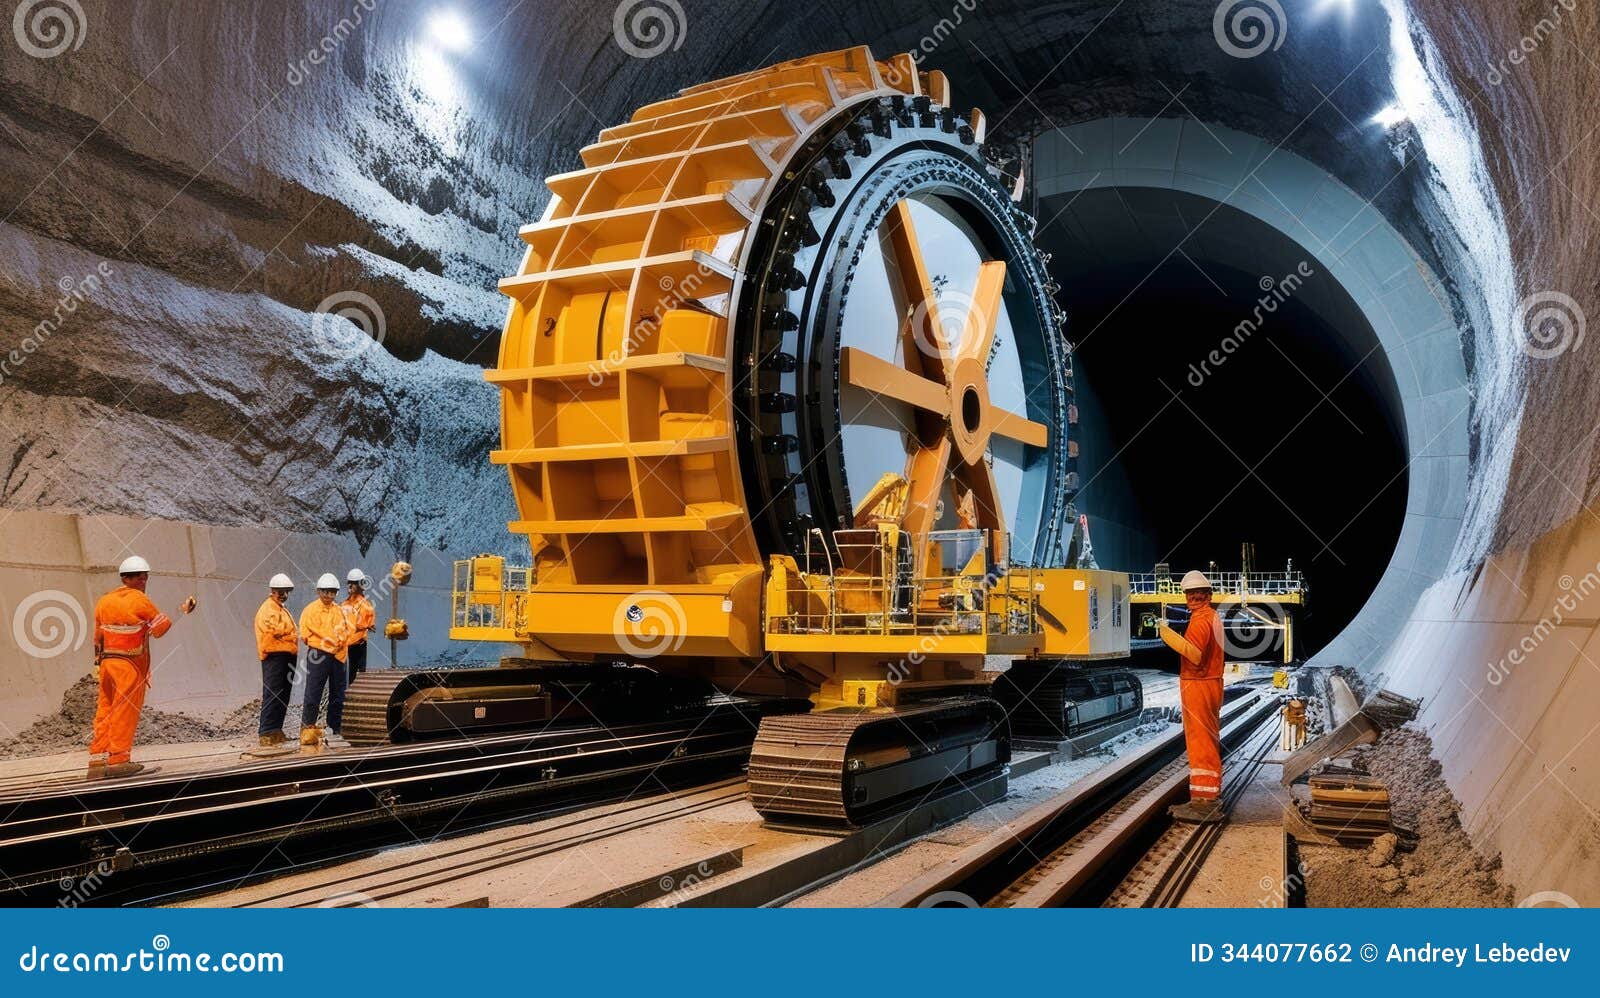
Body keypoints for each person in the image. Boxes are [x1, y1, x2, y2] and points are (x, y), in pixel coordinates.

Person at [88, 555, 196, 779]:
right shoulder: (139, 600)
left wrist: (97, 662)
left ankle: (97, 760)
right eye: (143, 578)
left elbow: (98, 637)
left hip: (107, 663)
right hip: (130, 665)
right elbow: (159, 628)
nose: (144, 582)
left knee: (105, 709)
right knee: (124, 711)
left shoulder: (104, 601)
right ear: (139, 579)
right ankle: (118, 759)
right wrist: (182, 610)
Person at [1157, 570, 1226, 823]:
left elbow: (1194, 653)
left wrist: (1167, 635)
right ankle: (1205, 796)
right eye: (1190, 593)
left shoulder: (1200, 620)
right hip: (1209, 682)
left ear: (1207, 595)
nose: (1193, 597)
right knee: (1205, 738)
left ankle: (1204, 802)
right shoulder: (1213, 616)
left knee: (1200, 741)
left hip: (1198, 684)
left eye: (1198, 593)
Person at [298, 573, 351, 746]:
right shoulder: (310, 610)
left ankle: (336, 726)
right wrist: (327, 642)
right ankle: (308, 729)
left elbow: (345, 631)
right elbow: (306, 634)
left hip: (338, 656)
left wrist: (339, 643)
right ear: (318, 591)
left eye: (332, 592)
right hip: (319, 655)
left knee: (338, 693)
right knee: (313, 692)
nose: (328, 595)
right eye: (325, 592)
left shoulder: (339, 611)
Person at [254, 573, 298, 747]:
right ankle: (266, 731)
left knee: (282, 694)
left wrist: (289, 635)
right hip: (274, 655)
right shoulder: (268, 609)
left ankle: (276, 729)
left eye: (286, 591)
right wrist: (290, 633)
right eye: (280, 591)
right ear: (272, 591)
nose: (283, 594)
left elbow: (287, 630)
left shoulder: (280, 609)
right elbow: (276, 630)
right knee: (273, 692)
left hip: (286, 655)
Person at [342, 569, 376, 687]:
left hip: (358, 645)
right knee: (348, 675)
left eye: (354, 583)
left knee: (359, 676)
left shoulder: (365, 605)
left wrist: (365, 626)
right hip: (345, 645)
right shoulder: (344, 604)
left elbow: (366, 624)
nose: (351, 586)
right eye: (350, 582)